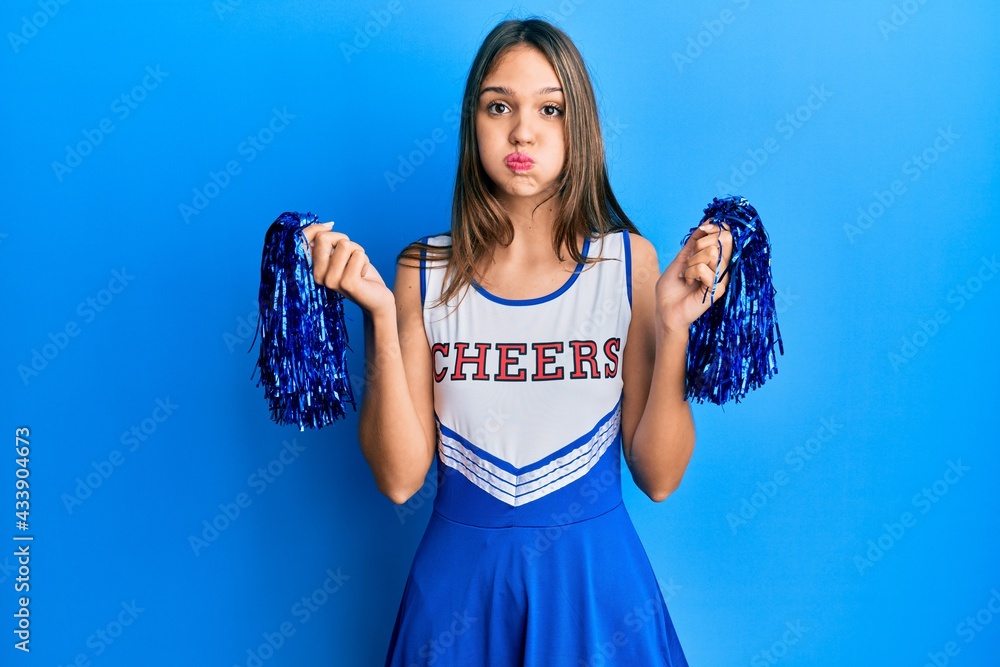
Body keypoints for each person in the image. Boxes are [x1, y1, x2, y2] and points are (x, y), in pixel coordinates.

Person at [302, 16, 732, 666]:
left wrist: (673, 327)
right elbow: (398, 478)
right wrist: (383, 322)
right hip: (458, 597)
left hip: (597, 595)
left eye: (549, 109)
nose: (522, 130)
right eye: (498, 105)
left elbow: (661, 476)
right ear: (473, 122)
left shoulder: (628, 263)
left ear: (578, 124)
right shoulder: (423, 272)